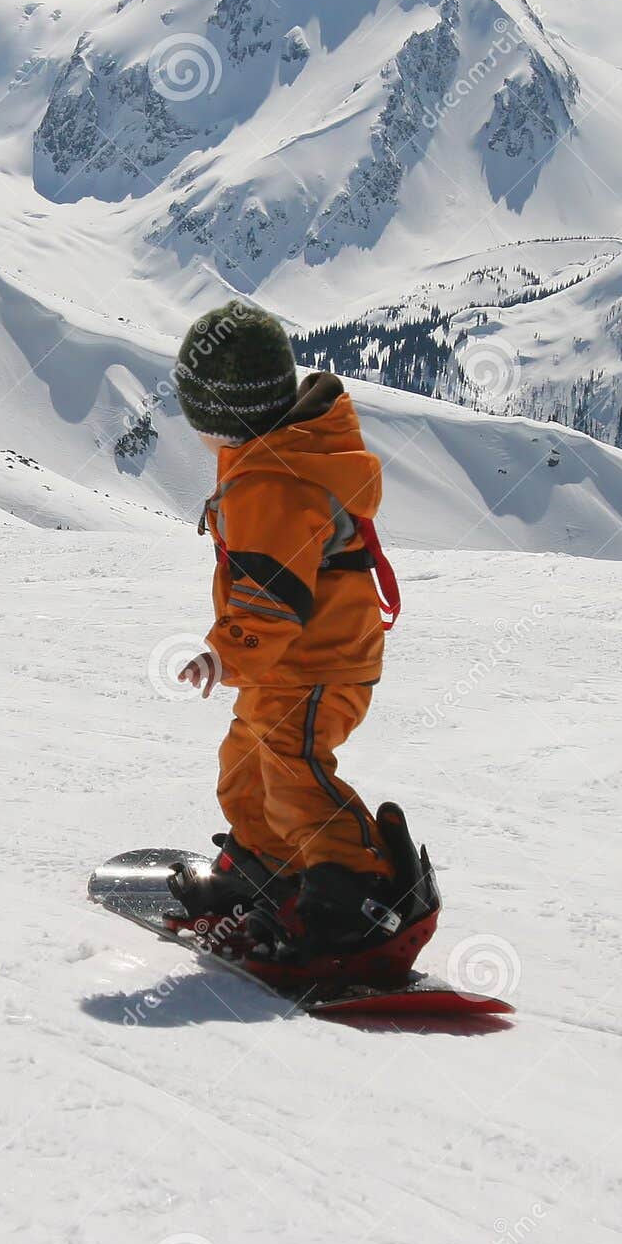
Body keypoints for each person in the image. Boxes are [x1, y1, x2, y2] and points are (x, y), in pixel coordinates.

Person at [171, 299, 411, 961]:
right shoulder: (265, 455)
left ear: (225, 413)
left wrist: (224, 655)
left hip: (320, 661)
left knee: (292, 772)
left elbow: (269, 602)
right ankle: (268, 868)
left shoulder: (272, 483)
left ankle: (358, 896)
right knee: (247, 764)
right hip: (292, 664)